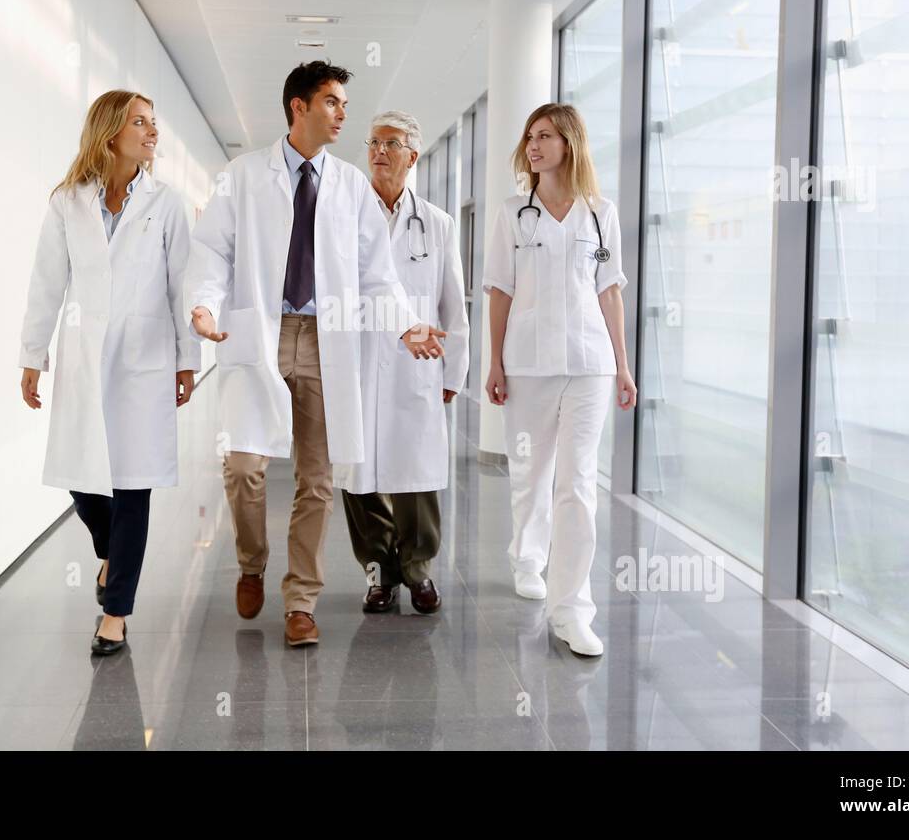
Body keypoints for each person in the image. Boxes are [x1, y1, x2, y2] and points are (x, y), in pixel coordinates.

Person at [185, 61, 447, 648]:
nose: (343, 114)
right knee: (244, 466)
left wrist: (404, 325)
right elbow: (211, 254)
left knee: (318, 478)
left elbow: (376, 274)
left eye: (344, 103)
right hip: (262, 333)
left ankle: (300, 601)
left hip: (328, 340)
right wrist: (203, 305)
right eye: (332, 101)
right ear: (298, 107)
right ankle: (251, 561)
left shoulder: (351, 185)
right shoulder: (242, 175)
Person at [18, 90, 199, 656]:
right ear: (110, 131)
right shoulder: (68, 201)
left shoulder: (166, 203)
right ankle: (109, 553)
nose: (151, 132)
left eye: (153, 122)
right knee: (82, 478)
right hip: (84, 356)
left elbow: (182, 284)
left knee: (132, 484)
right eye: (140, 122)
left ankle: (115, 612)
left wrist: (187, 357)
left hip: (144, 357)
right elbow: (47, 280)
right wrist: (32, 353)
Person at [481, 102, 637, 658]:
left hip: (590, 363)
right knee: (531, 470)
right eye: (529, 136)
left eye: (545, 135)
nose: (534, 145)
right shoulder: (512, 212)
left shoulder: (600, 213)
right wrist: (494, 362)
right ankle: (528, 557)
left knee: (578, 485)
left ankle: (571, 610)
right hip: (527, 361)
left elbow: (609, 290)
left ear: (570, 143)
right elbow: (499, 289)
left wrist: (621, 363)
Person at [335, 110, 469, 615]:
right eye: (373, 142)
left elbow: (453, 306)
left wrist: (453, 371)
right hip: (358, 362)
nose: (379, 152)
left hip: (417, 366)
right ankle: (377, 571)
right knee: (358, 472)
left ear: (413, 156)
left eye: (391, 144)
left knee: (416, 472)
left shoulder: (436, 224)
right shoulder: (342, 217)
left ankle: (417, 570)